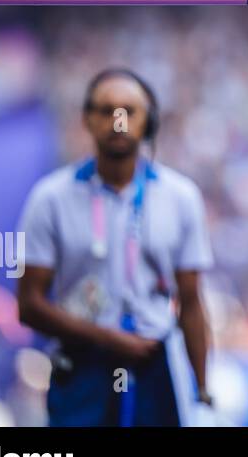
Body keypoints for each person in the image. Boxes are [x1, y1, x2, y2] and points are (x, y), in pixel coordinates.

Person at [16, 68, 214, 426]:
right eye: (106, 111)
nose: (118, 121)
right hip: (81, 365)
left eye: (129, 111)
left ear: (149, 121)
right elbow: (29, 305)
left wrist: (201, 390)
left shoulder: (180, 197)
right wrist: (107, 338)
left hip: (153, 365)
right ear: (87, 120)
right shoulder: (51, 198)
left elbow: (191, 302)